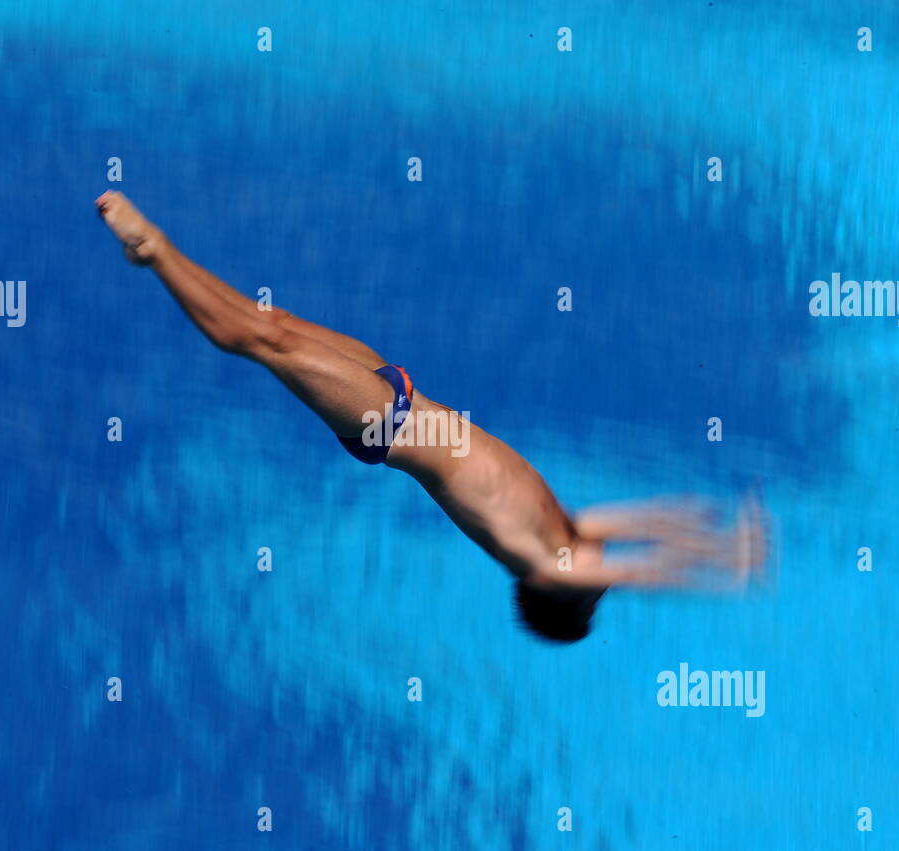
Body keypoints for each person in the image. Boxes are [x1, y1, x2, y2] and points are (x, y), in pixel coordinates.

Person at [95, 191, 768, 641]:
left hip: (383, 424)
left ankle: (152, 249)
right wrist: (715, 534)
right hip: (401, 390)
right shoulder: (566, 530)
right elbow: (646, 521)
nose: (600, 577)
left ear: (573, 594)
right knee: (278, 323)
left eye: (595, 590)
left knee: (264, 343)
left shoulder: (546, 564)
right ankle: (156, 254)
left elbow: (640, 570)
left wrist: (729, 570)